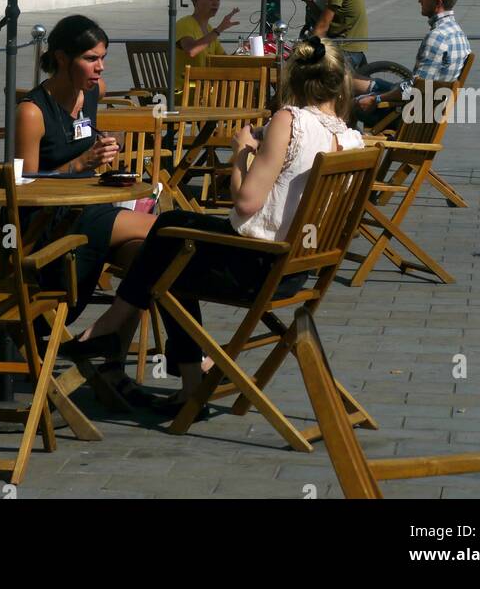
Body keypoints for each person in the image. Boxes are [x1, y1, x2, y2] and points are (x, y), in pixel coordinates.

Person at [60, 37, 364, 413]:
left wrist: (240, 153)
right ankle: (189, 377)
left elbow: (247, 202)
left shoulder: (291, 120)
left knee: (170, 239)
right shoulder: (351, 139)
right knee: (173, 240)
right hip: (299, 270)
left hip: (258, 266)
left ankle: (113, 331)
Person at [15, 16, 156, 352]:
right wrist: (80, 164)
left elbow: (89, 145)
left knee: (147, 260)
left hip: (90, 206)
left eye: (102, 58)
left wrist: (109, 146)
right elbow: (23, 187)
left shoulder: (92, 94)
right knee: (166, 234)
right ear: (63, 59)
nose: (101, 68)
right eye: (91, 59)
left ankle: (110, 359)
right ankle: (104, 336)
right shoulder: (32, 112)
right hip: (51, 225)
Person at [353, 0, 471, 129]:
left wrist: (376, 100)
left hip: (411, 114)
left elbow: (413, 90)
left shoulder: (437, 37)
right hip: (429, 106)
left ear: (437, 3)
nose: (419, 0)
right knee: (354, 82)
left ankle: (348, 148)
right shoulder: (458, 33)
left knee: (348, 105)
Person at [174, 0, 239, 100]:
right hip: (185, 92)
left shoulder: (209, 29)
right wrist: (219, 29)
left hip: (204, 91)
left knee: (247, 92)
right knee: (241, 97)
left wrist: (242, 53)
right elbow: (191, 50)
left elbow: (223, 60)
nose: (215, 3)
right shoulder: (184, 24)